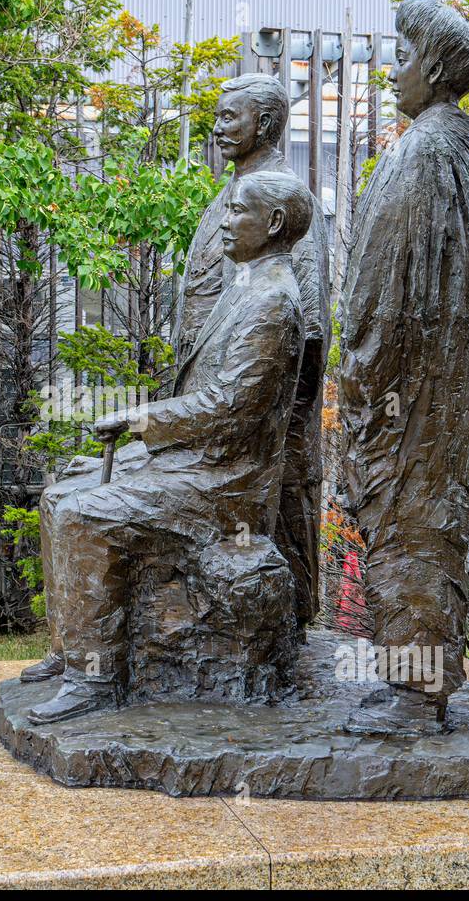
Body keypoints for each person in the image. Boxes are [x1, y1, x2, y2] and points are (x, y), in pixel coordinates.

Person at [27, 172, 310, 723]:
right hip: (195, 459)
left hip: (226, 484)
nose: (225, 223)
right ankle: (69, 652)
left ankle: (96, 680)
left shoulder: (272, 301)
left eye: (237, 212)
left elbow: (228, 407)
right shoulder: (247, 285)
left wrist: (139, 420)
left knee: (85, 516)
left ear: (273, 224)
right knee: (60, 493)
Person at [339, 0, 469, 726]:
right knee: (418, 519)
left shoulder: (424, 153)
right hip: (430, 385)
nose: (390, 71)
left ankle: (417, 695)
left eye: (401, 56)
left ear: (433, 68)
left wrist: (365, 379)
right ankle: (414, 677)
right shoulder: (447, 150)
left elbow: (384, 292)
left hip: (411, 388)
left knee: (411, 523)